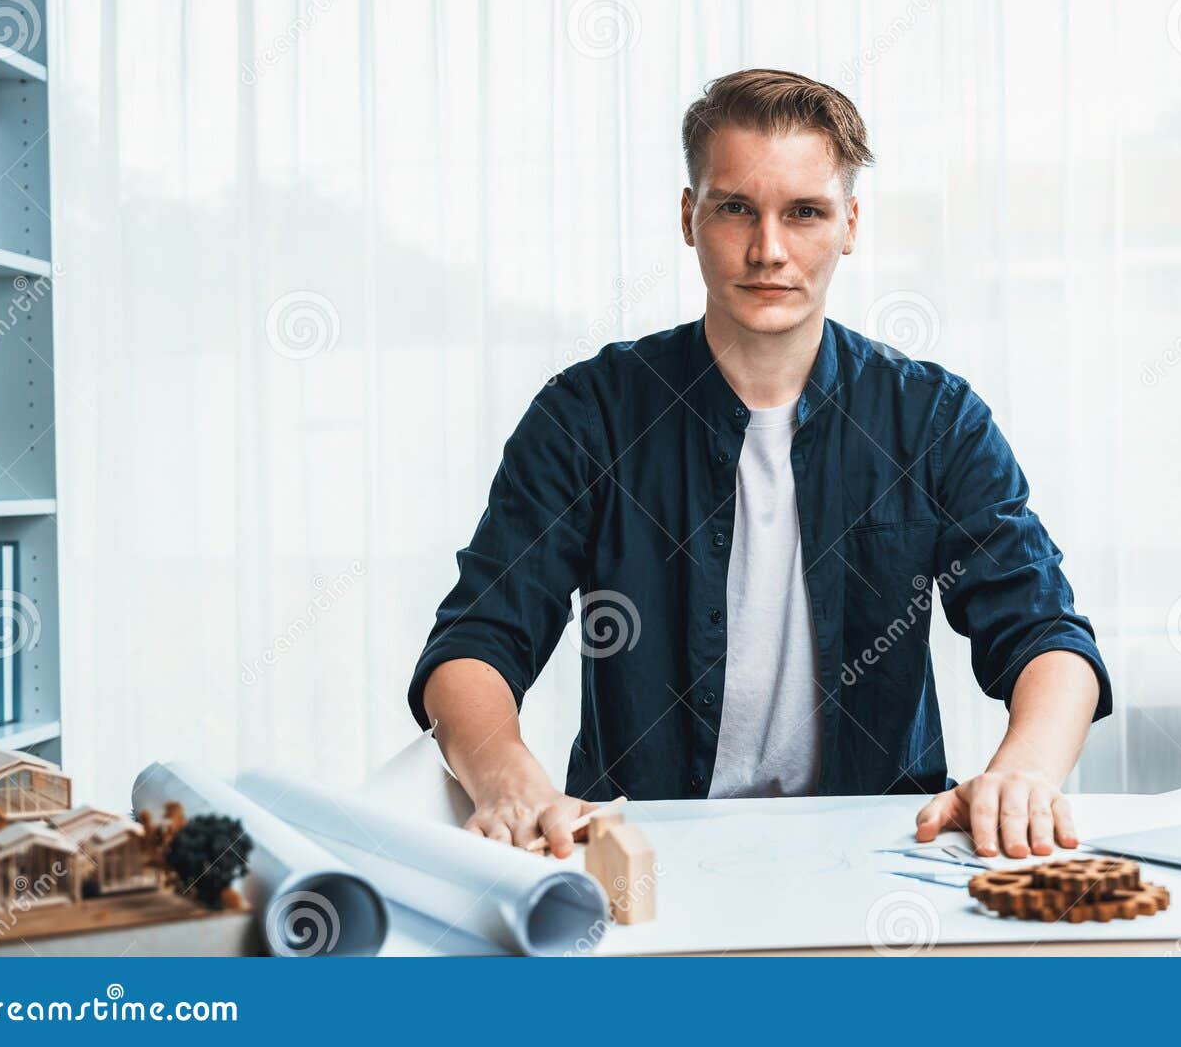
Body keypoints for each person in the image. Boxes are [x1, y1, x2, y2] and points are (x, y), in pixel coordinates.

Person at [409, 68, 1111, 864]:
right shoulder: (589, 414)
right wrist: (511, 783)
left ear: (849, 223)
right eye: (735, 207)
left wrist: (1023, 775)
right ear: (689, 217)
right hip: (639, 856)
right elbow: (476, 640)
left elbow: (1047, 636)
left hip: (880, 856)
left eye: (804, 213)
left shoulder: (934, 419)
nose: (768, 250)